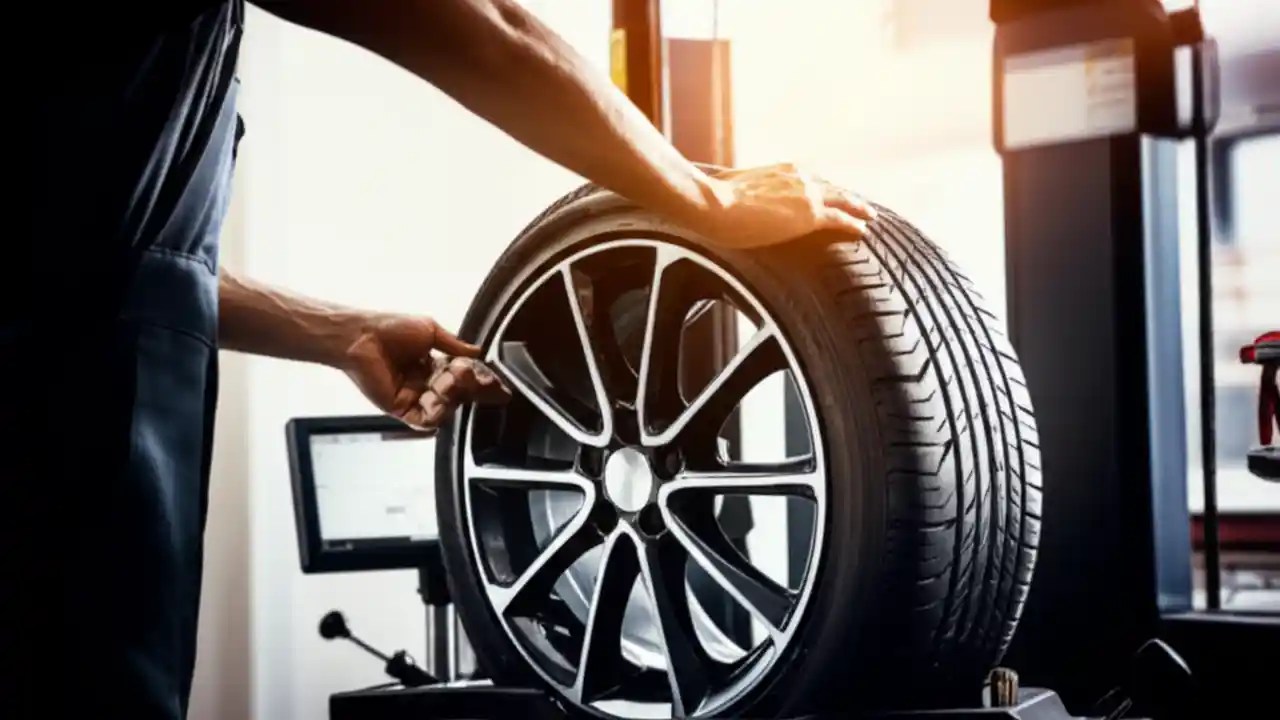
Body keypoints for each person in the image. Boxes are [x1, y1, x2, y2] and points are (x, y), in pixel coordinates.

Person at [9, 1, 876, 717]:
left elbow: (99, 254)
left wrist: (332, 330)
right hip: (68, 453)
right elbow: (477, 27)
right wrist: (698, 193)